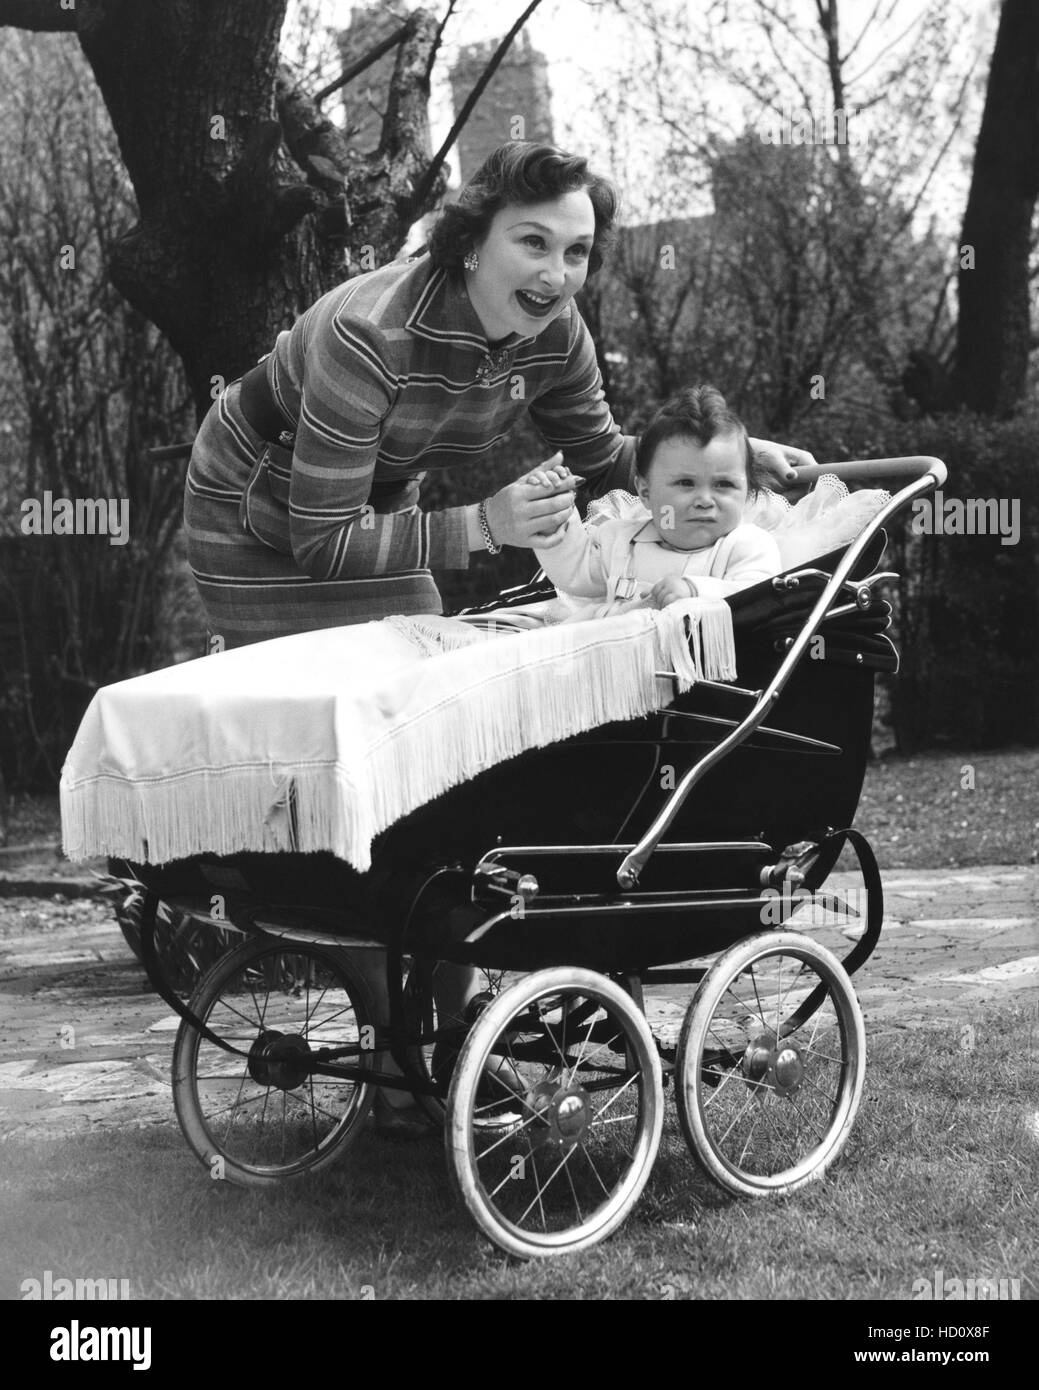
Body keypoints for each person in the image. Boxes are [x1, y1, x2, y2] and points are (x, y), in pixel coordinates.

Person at [182, 141, 816, 1132]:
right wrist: (481, 524)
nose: (558, 273)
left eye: (578, 251)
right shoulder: (369, 332)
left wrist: (736, 458)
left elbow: (606, 456)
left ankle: (452, 1045)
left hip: (365, 513)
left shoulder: (554, 327)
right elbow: (317, 540)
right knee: (349, 758)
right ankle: (398, 1054)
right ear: (471, 238)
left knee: (433, 749)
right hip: (256, 523)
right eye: (533, 243)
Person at [531, 385, 782, 616]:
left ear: (747, 491)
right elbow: (575, 572)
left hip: (695, 660)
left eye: (724, 485)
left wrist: (695, 590)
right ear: (646, 493)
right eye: (686, 483)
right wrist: (553, 515)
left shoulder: (747, 545)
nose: (705, 500)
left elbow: (759, 597)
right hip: (617, 656)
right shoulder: (622, 540)